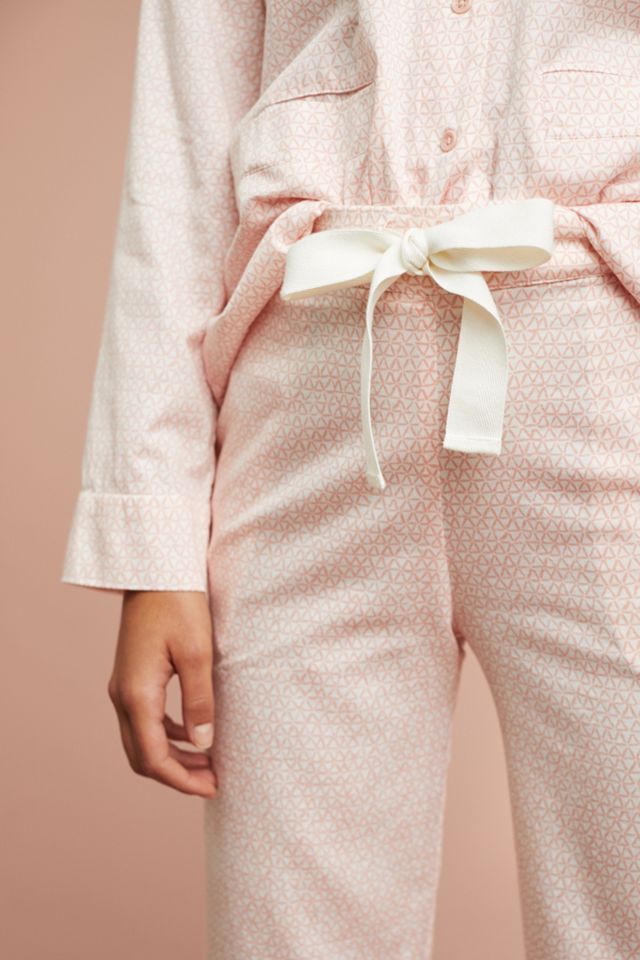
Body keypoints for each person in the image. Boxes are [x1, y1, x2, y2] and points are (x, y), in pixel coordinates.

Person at [61, 2, 640, 958]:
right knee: (291, 935)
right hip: (309, 393)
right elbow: (182, 139)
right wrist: (153, 536)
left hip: (603, 362)